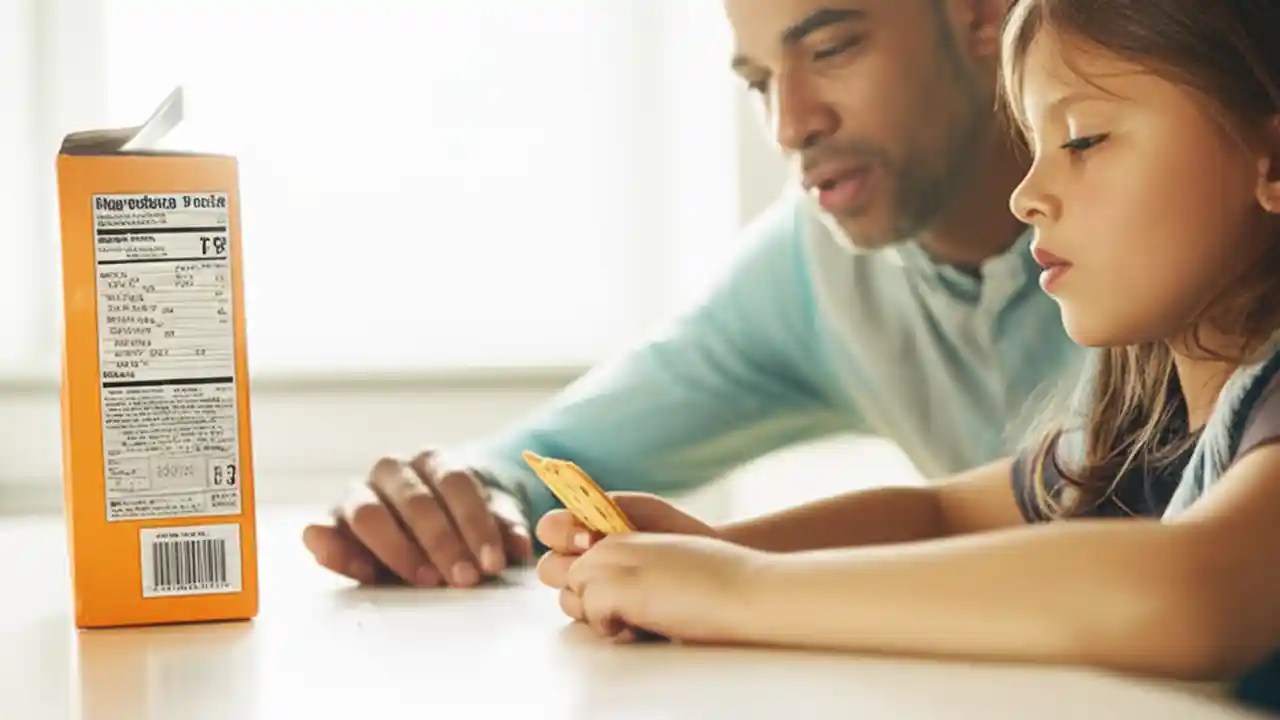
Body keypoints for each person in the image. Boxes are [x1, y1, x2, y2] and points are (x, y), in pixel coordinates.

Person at [537, 0, 1280, 689]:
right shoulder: (1149, 425)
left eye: (1083, 139)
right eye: (1033, 145)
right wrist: (716, 549)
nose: (1028, 194)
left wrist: (735, 591)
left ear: (1271, 163)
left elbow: (1190, 593)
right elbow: (943, 517)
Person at [302, 0, 1082, 589]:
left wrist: (736, 585)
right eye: (759, 83)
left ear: (983, 13)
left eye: (833, 48)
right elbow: (555, 459)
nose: (789, 126)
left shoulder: (1174, 233)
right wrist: (450, 499)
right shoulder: (812, 270)